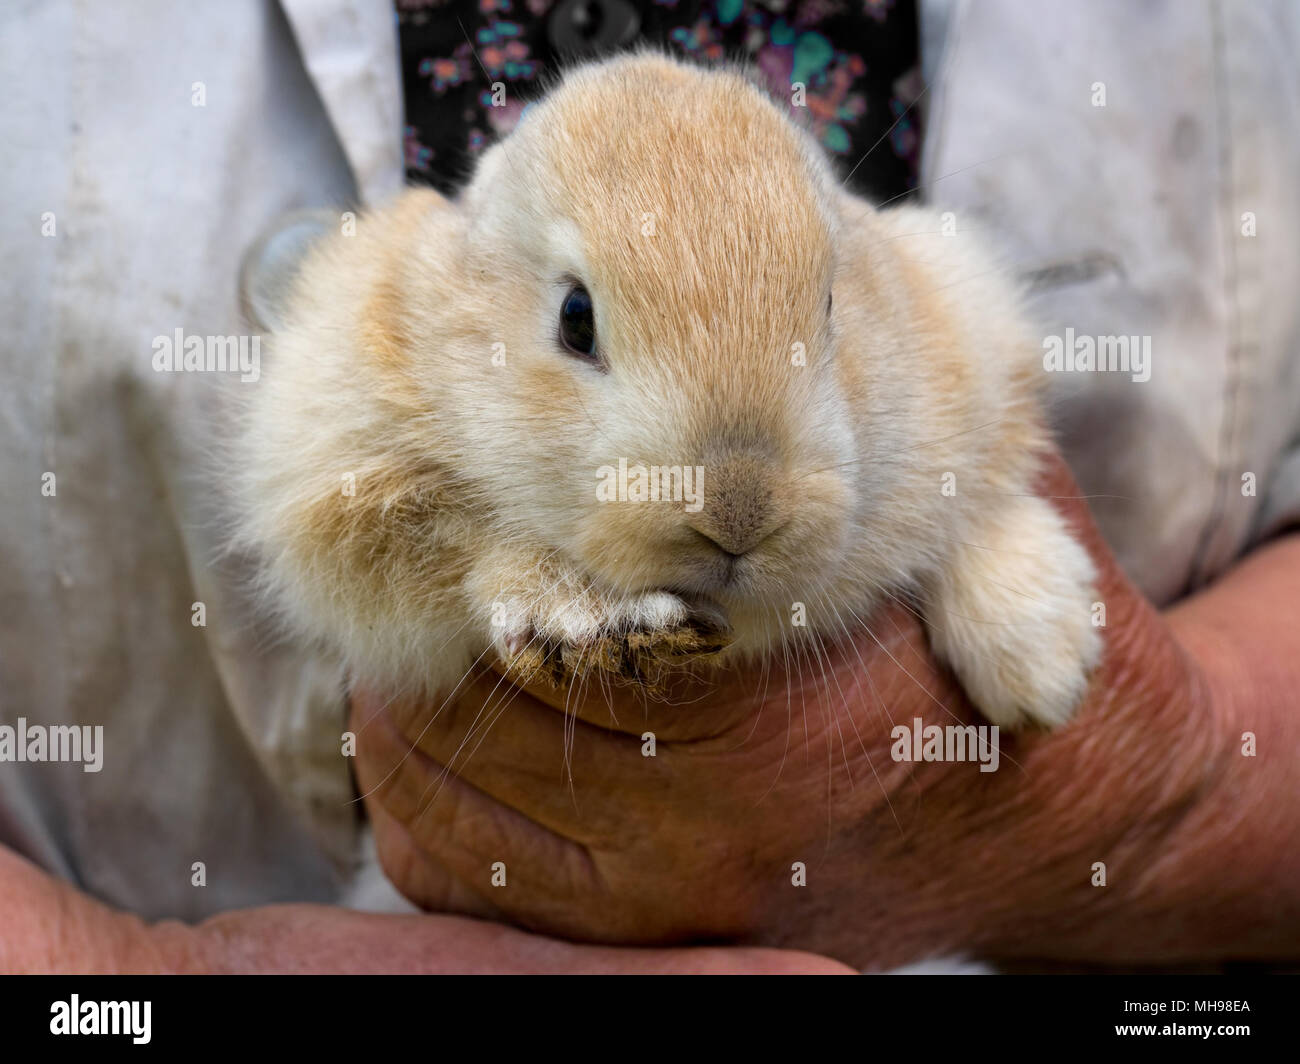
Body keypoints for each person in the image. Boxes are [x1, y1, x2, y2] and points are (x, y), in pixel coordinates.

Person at [2, 0, 1297, 972]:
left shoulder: (911, 323)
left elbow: (979, 348)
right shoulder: (404, 315)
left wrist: (1153, 788)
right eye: (581, 327)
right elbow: (327, 533)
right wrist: (138, 973)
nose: (730, 510)